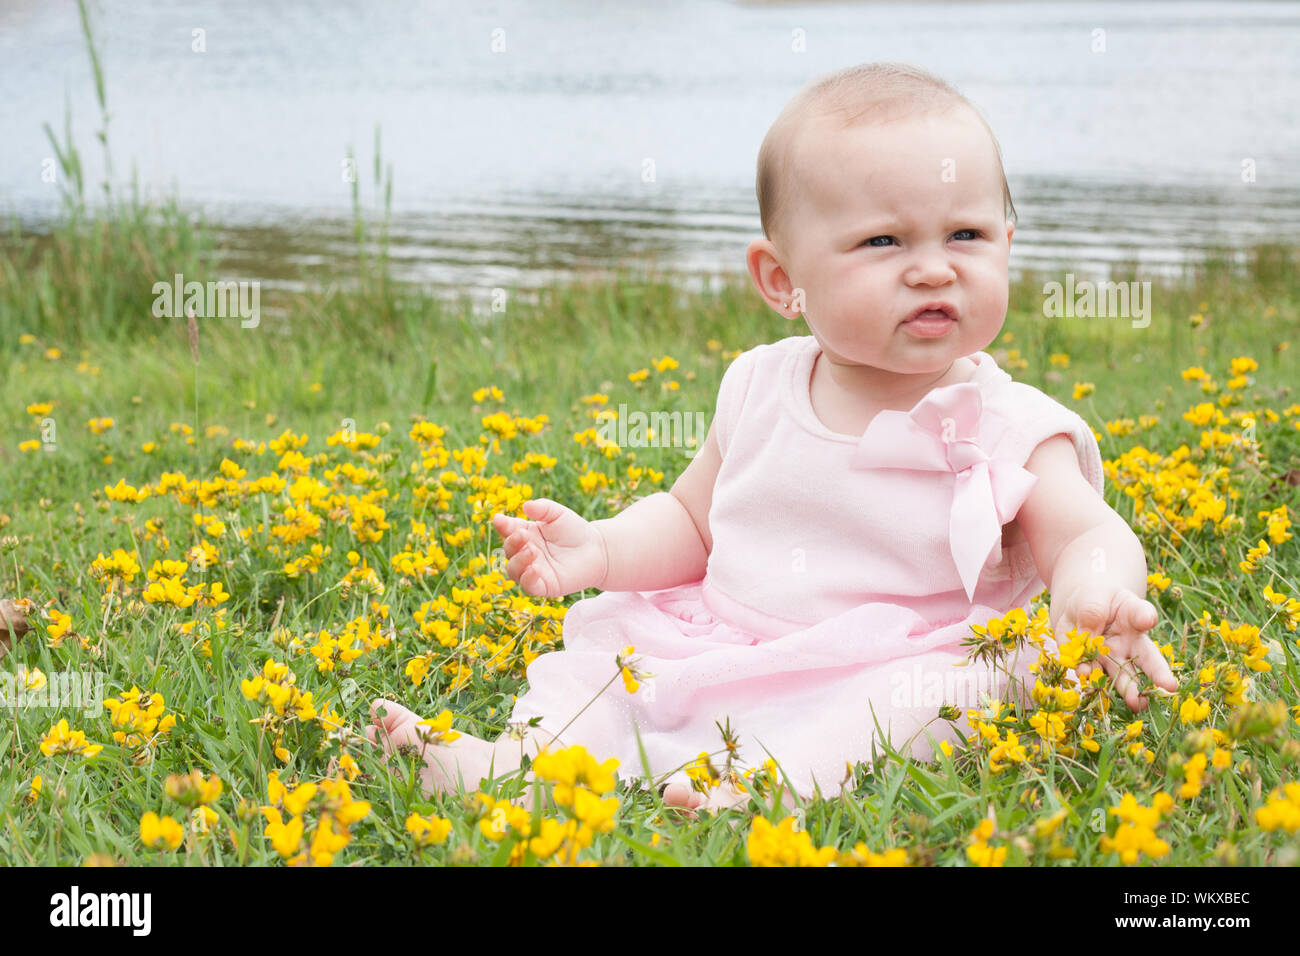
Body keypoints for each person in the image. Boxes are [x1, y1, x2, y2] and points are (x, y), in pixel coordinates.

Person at [366, 61, 1178, 817]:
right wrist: (601, 553)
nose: (934, 269)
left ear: (1007, 242)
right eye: (883, 242)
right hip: (732, 635)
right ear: (782, 280)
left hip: (902, 658)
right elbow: (692, 522)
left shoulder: (1011, 424)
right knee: (602, 677)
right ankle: (520, 769)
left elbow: (1089, 533)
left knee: (928, 697)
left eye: (965, 235)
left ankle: (766, 788)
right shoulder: (760, 386)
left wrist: (1093, 593)